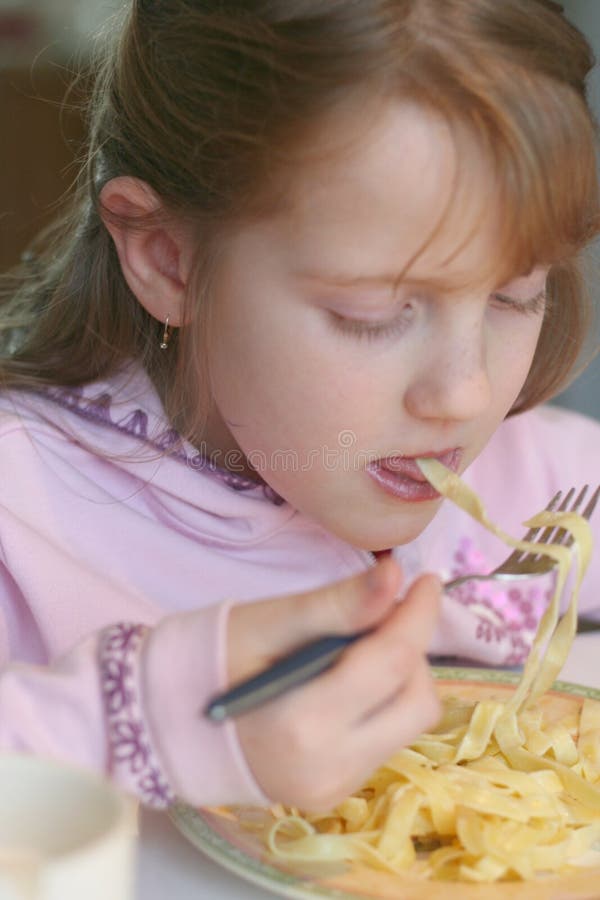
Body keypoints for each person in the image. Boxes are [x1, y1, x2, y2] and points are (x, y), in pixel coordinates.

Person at [0, 0, 599, 814]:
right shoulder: (24, 520)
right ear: (168, 260)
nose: (467, 393)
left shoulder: (538, 485)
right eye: (374, 313)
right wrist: (137, 728)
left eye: (516, 295)